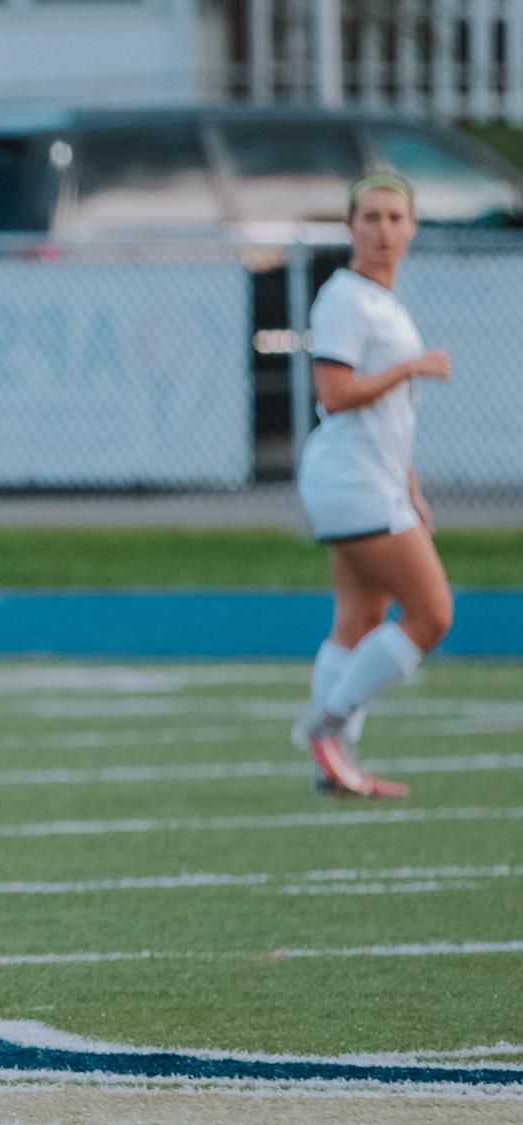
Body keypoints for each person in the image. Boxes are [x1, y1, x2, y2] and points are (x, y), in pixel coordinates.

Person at [293, 173, 453, 799]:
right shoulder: (345, 298)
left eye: (395, 218)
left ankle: (332, 766)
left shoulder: (384, 301)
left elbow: (389, 417)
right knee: (433, 614)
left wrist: (410, 483)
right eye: (370, 217)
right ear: (349, 227)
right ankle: (328, 727)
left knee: (361, 616)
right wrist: (411, 365)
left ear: (412, 227)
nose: (383, 231)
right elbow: (334, 395)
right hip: (349, 480)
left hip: (369, 479)